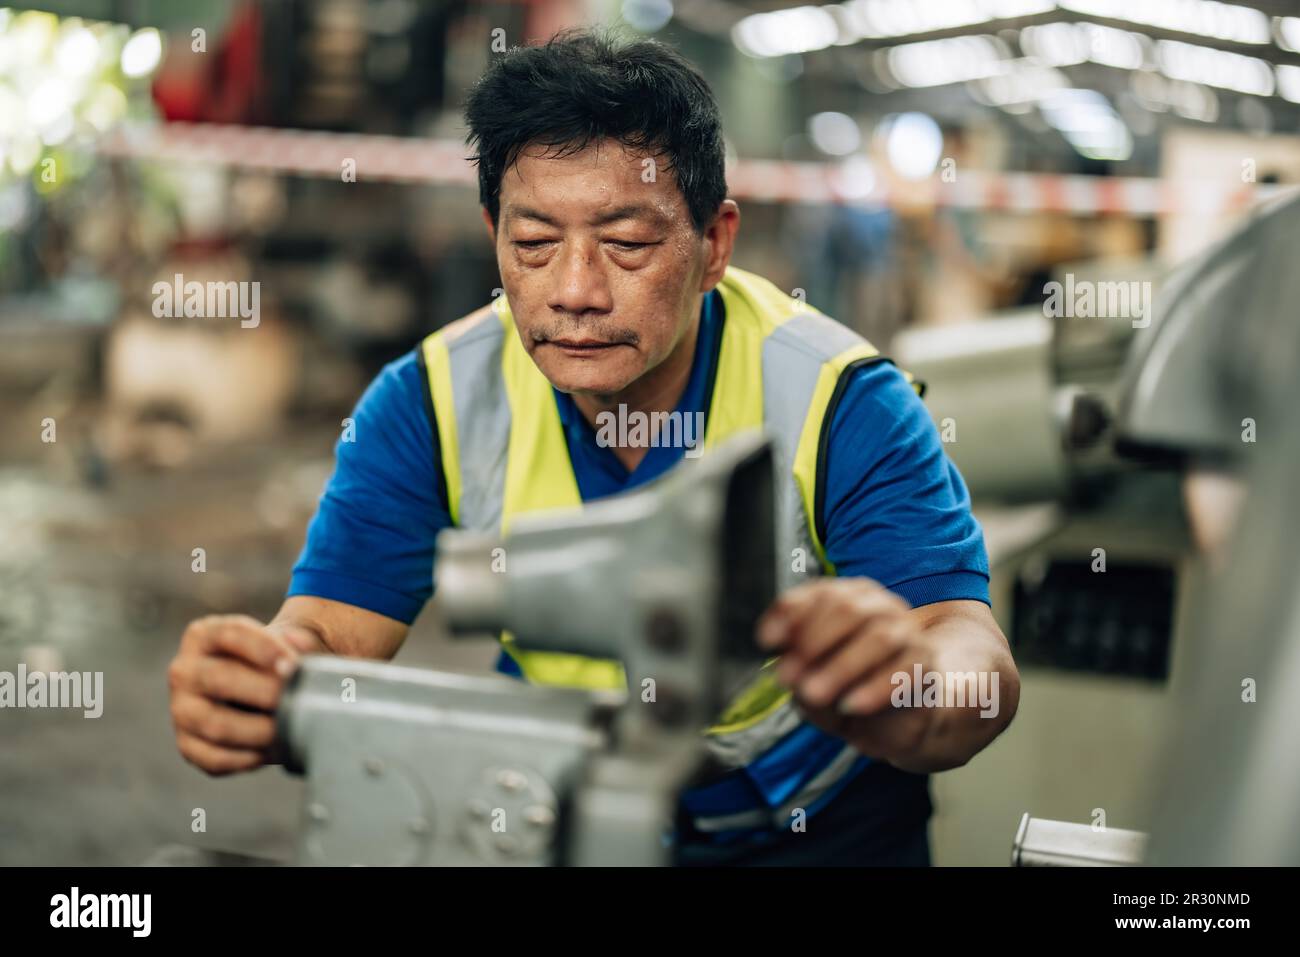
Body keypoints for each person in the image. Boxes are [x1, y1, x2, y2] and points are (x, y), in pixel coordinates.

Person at [167, 28, 1019, 866]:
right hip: (557, 814)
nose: (574, 290)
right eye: (534, 244)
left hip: (824, 832)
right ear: (493, 234)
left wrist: (910, 684)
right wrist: (264, 679)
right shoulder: (432, 400)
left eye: (627, 244)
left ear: (715, 245)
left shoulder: (840, 399)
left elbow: (972, 655)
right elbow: (328, 630)